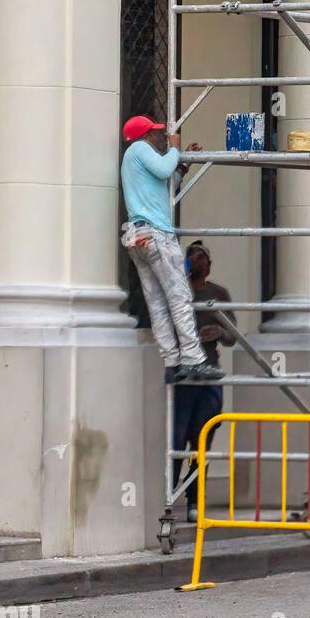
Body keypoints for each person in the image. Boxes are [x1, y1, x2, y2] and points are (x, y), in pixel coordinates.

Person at [119, 115, 223, 383]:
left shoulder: (134, 160)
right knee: (179, 298)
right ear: (145, 135)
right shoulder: (140, 149)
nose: (160, 137)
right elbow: (166, 171)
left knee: (157, 302)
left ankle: (171, 363)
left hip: (139, 235)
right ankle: (193, 359)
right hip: (156, 234)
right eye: (156, 133)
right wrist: (176, 148)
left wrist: (183, 162)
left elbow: (166, 185)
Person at [174, 242, 237, 522]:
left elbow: (233, 336)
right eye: (192, 256)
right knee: (176, 439)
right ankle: (168, 495)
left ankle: (194, 500)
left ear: (210, 264)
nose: (198, 261)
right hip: (183, 376)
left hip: (210, 373)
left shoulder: (218, 293)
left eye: (203, 256)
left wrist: (219, 331)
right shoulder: (178, 291)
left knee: (202, 441)